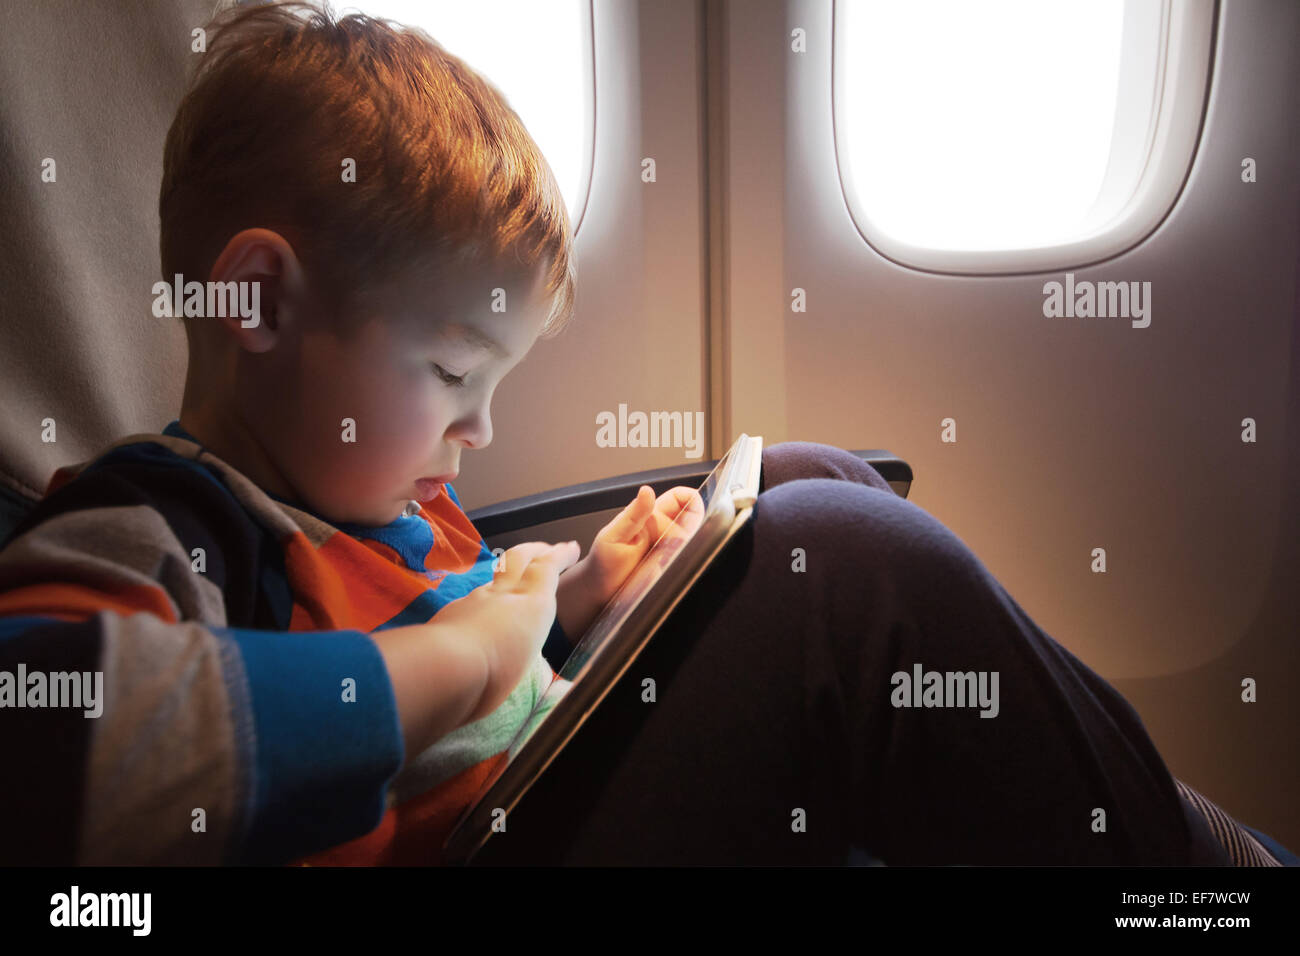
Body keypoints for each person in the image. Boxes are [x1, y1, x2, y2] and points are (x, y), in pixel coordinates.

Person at [0, 1, 1287, 867]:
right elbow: (50, 743)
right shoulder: (161, 526)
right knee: (838, 566)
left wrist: (577, 603)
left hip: (514, 789)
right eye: (452, 369)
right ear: (262, 302)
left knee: (803, 475)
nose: (481, 423)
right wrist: (461, 654)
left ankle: (1200, 857)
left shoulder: (370, 500)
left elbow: (430, 653)